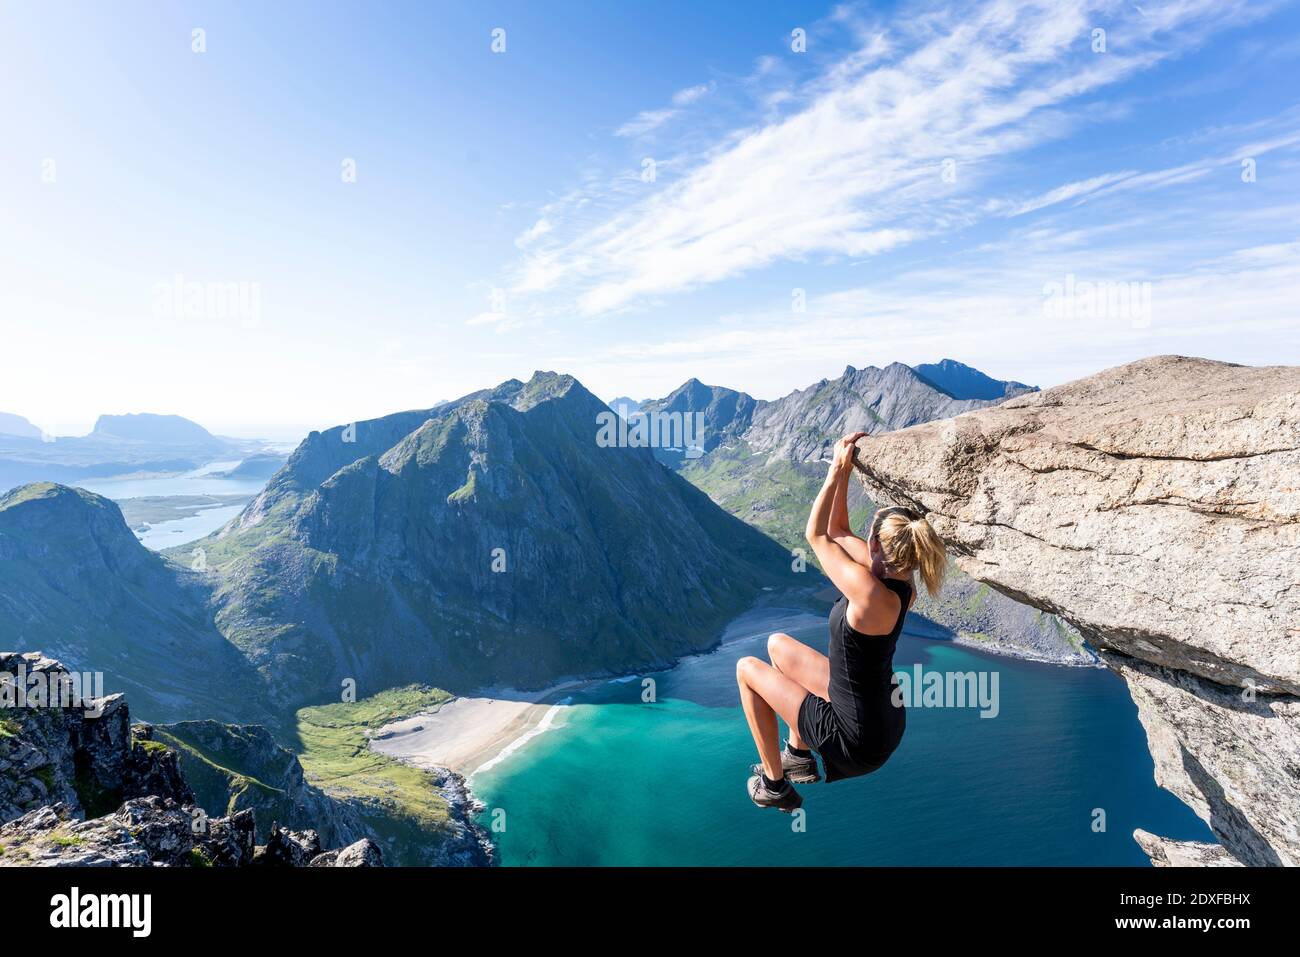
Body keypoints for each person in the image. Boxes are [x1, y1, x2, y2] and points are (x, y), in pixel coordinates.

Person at [735, 431, 948, 810]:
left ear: (877, 546)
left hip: (855, 739)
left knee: (746, 668)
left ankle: (775, 785)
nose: (862, 540)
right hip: (876, 714)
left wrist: (835, 470)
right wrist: (847, 471)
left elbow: (817, 535)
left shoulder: (869, 593)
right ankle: (797, 755)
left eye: (869, 537)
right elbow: (839, 532)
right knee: (777, 647)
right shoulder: (900, 584)